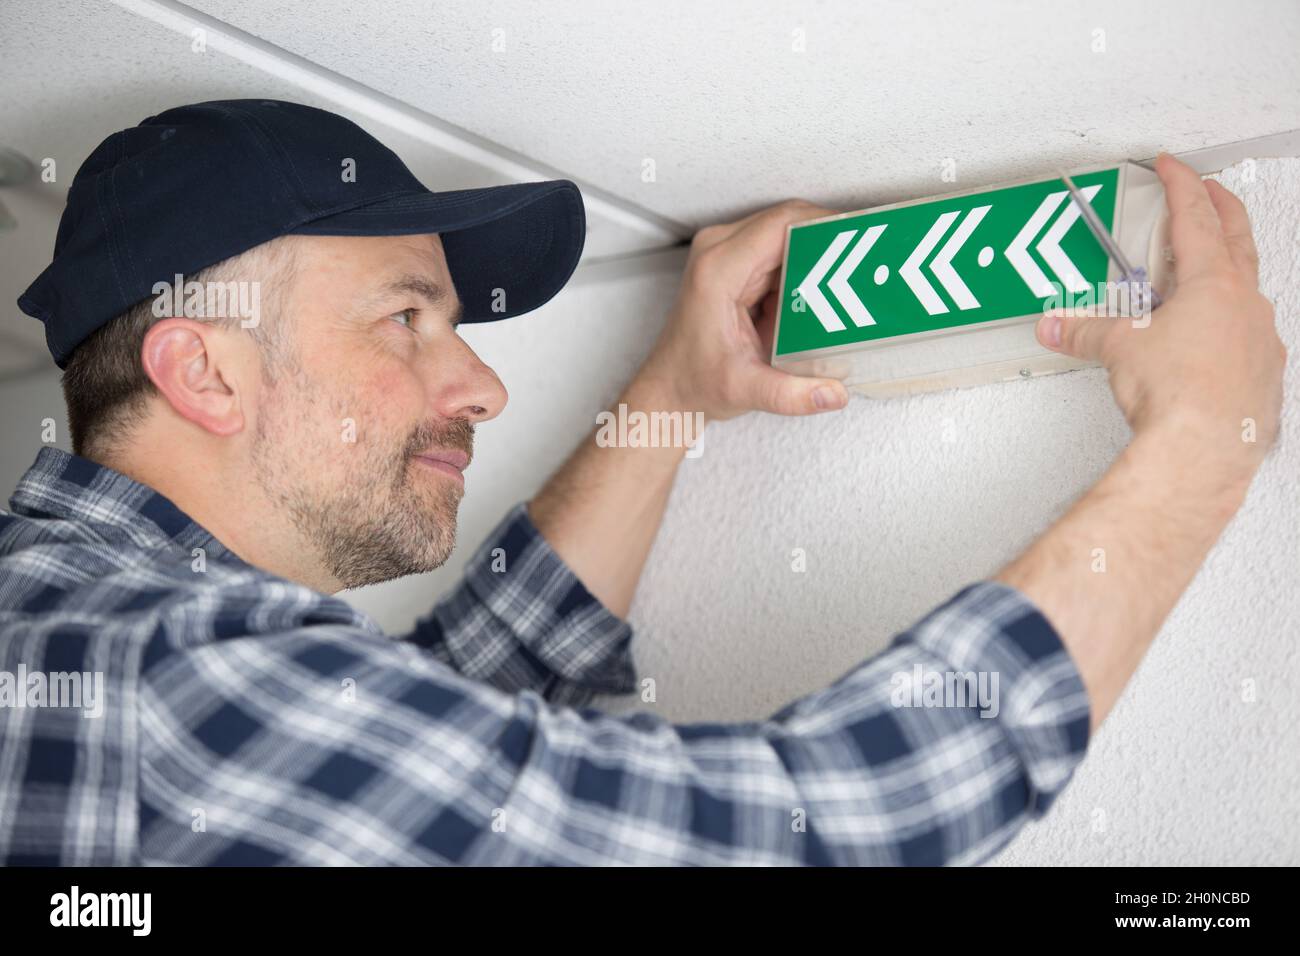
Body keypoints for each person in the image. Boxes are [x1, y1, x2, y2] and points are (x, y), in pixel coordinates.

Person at [0, 100, 1283, 865]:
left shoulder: (91, 653)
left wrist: (669, 394)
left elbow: (430, 742)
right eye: (405, 317)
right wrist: (1196, 443)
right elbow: (810, 833)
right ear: (206, 370)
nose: (481, 386)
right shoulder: (174, 674)